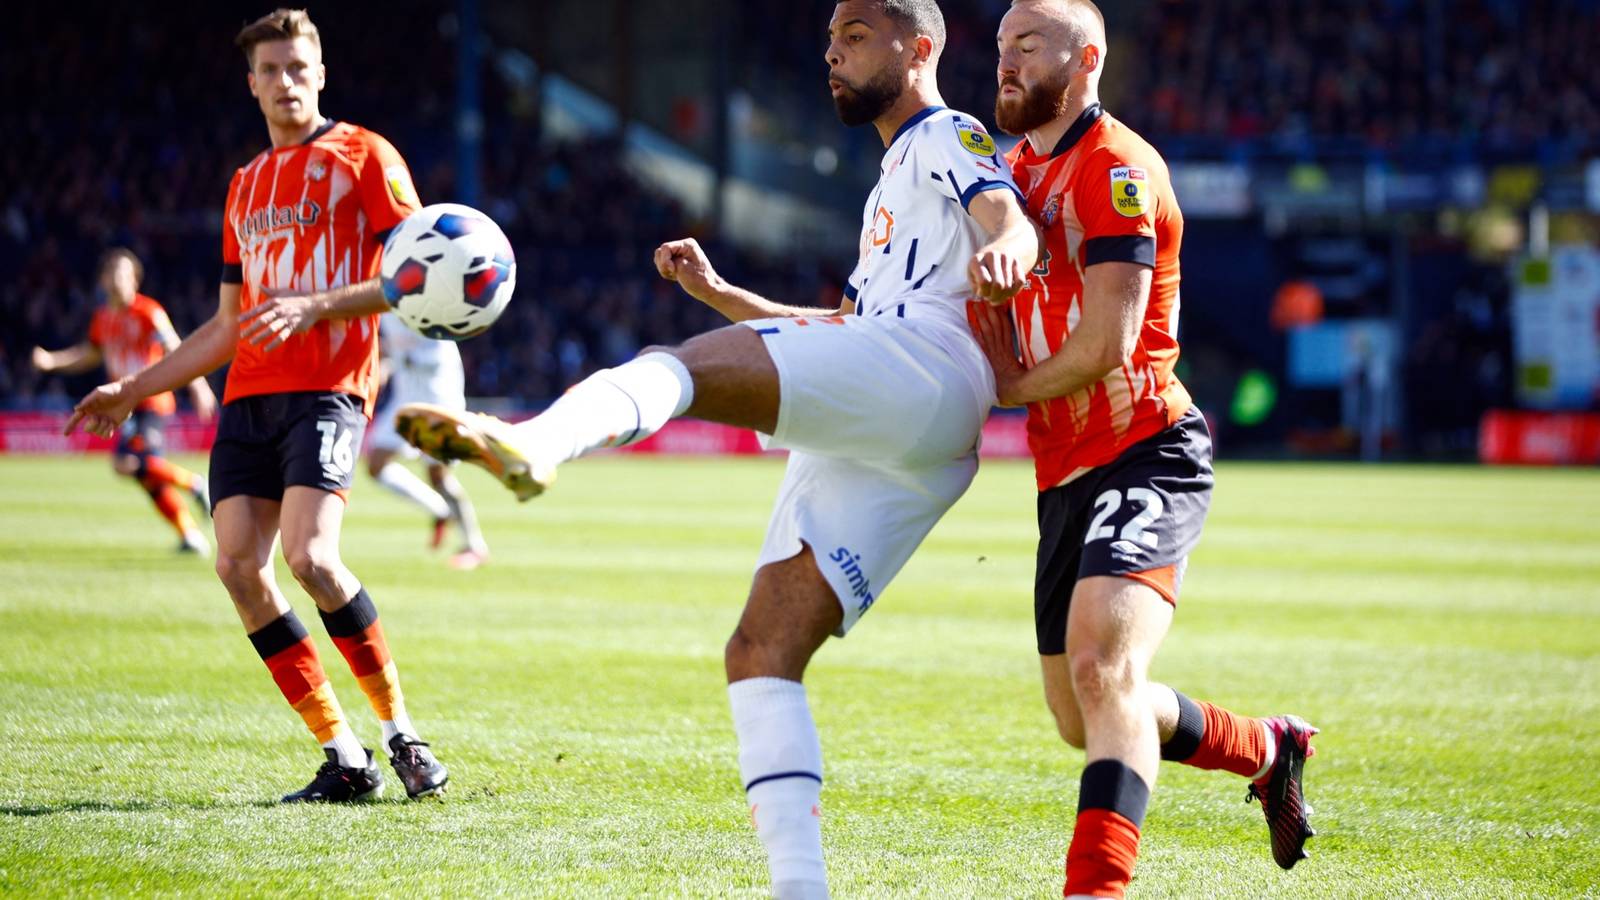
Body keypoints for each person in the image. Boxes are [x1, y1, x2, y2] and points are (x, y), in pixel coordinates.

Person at [396, 1, 1038, 895]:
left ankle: (537, 443)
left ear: (918, 45)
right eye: (828, 39)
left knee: (677, 368)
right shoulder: (891, 176)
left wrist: (1009, 247)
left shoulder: (946, 132)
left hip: (930, 371)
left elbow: (1005, 214)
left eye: (853, 36)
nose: (831, 54)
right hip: (911, 422)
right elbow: (842, 331)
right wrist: (724, 293)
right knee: (761, 651)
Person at [970, 2, 1316, 895]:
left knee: (1102, 669)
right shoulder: (1007, 173)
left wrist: (1002, 389)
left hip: (1145, 447)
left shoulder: (1118, 167)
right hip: (1063, 473)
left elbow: (1107, 346)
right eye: (1002, 46)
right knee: (1081, 713)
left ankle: (1096, 887)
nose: (1005, 64)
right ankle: (1266, 747)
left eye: (1027, 48)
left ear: (1085, 61)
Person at [65, 8, 447, 804]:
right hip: (249, 398)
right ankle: (345, 757)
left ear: (321, 72)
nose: (285, 82)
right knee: (239, 565)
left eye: (298, 68)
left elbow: (420, 276)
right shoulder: (244, 185)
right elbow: (228, 326)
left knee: (312, 558)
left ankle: (402, 733)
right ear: (251, 83)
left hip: (329, 389)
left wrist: (319, 306)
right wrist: (133, 389)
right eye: (270, 71)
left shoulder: (364, 155)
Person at [33, 248, 216, 555]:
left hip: (152, 401)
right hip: (124, 405)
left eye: (124, 274)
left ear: (135, 280)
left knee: (127, 463)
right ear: (103, 280)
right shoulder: (102, 318)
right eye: (112, 274)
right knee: (143, 474)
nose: (117, 280)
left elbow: (175, 347)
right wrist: (53, 362)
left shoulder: (148, 312)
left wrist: (197, 384)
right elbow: (90, 354)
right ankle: (190, 534)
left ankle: (197, 485)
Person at [365, 313, 489, 570]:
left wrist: (399, 362)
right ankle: (439, 509)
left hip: (438, 398)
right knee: (376, 464)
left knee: (439, 475)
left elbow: (438, 355)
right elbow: (391, 347)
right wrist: (385, 366)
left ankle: (474, 546)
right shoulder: (384, 306)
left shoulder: (427, 303)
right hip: (406, 398)